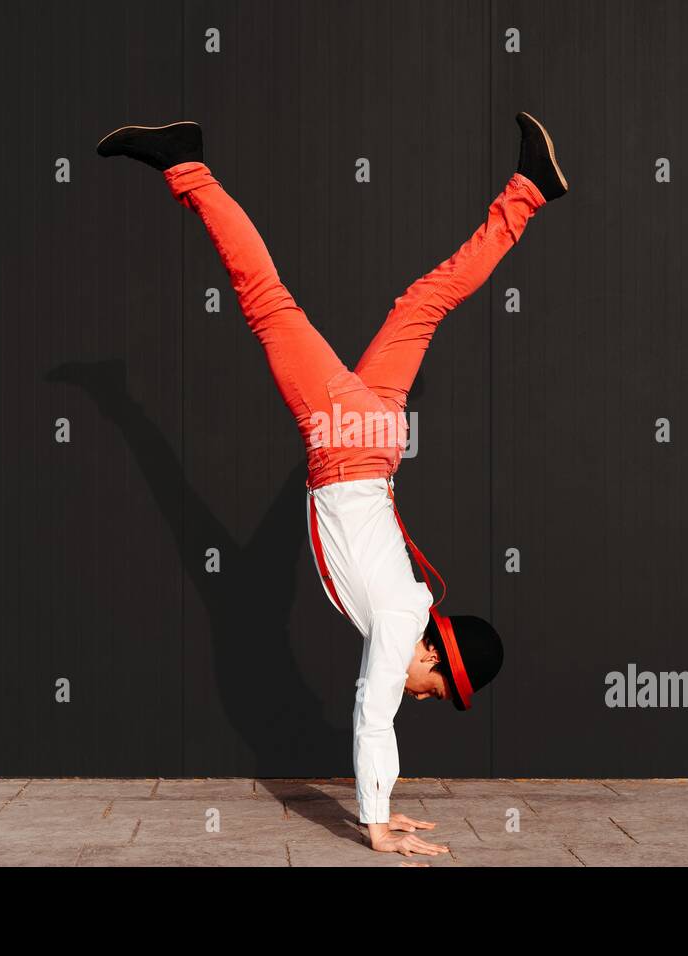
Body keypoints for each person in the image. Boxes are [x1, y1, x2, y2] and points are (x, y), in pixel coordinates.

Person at [96, 113, 567, 858]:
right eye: (434, 689)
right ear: (436, 656)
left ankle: (528, 192)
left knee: (423, 302)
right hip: (348, 446)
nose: (419, 695)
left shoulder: (411, 604)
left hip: (376, 445)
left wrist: (387, 806)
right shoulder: (400, 623)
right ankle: (187, 166)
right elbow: (373, 713)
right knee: (265, 299)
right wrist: (376, 824)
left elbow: (386, 705)